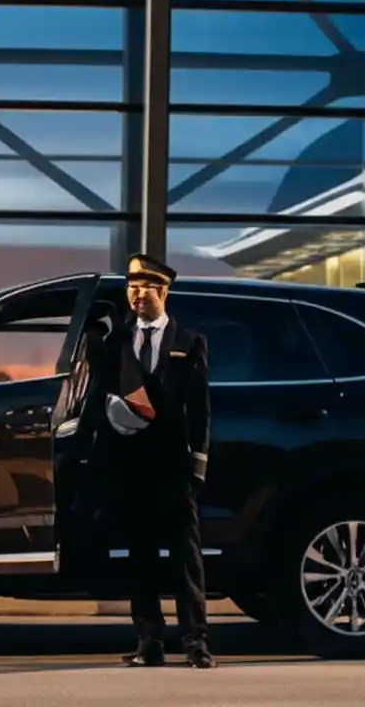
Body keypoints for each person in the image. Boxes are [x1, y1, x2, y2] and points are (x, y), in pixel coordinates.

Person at [92, 252, 214, 669]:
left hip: (174, 466)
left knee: (185, 558)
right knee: (141, 558)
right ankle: (149, 642)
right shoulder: (116, 343)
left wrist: (199, 460)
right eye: (132, 287)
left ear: (164, 291)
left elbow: (200, 407)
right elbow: (102, 399)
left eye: (145, 287)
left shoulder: (189, 343)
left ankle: (196, 642)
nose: (138, 294)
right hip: (132, 466)